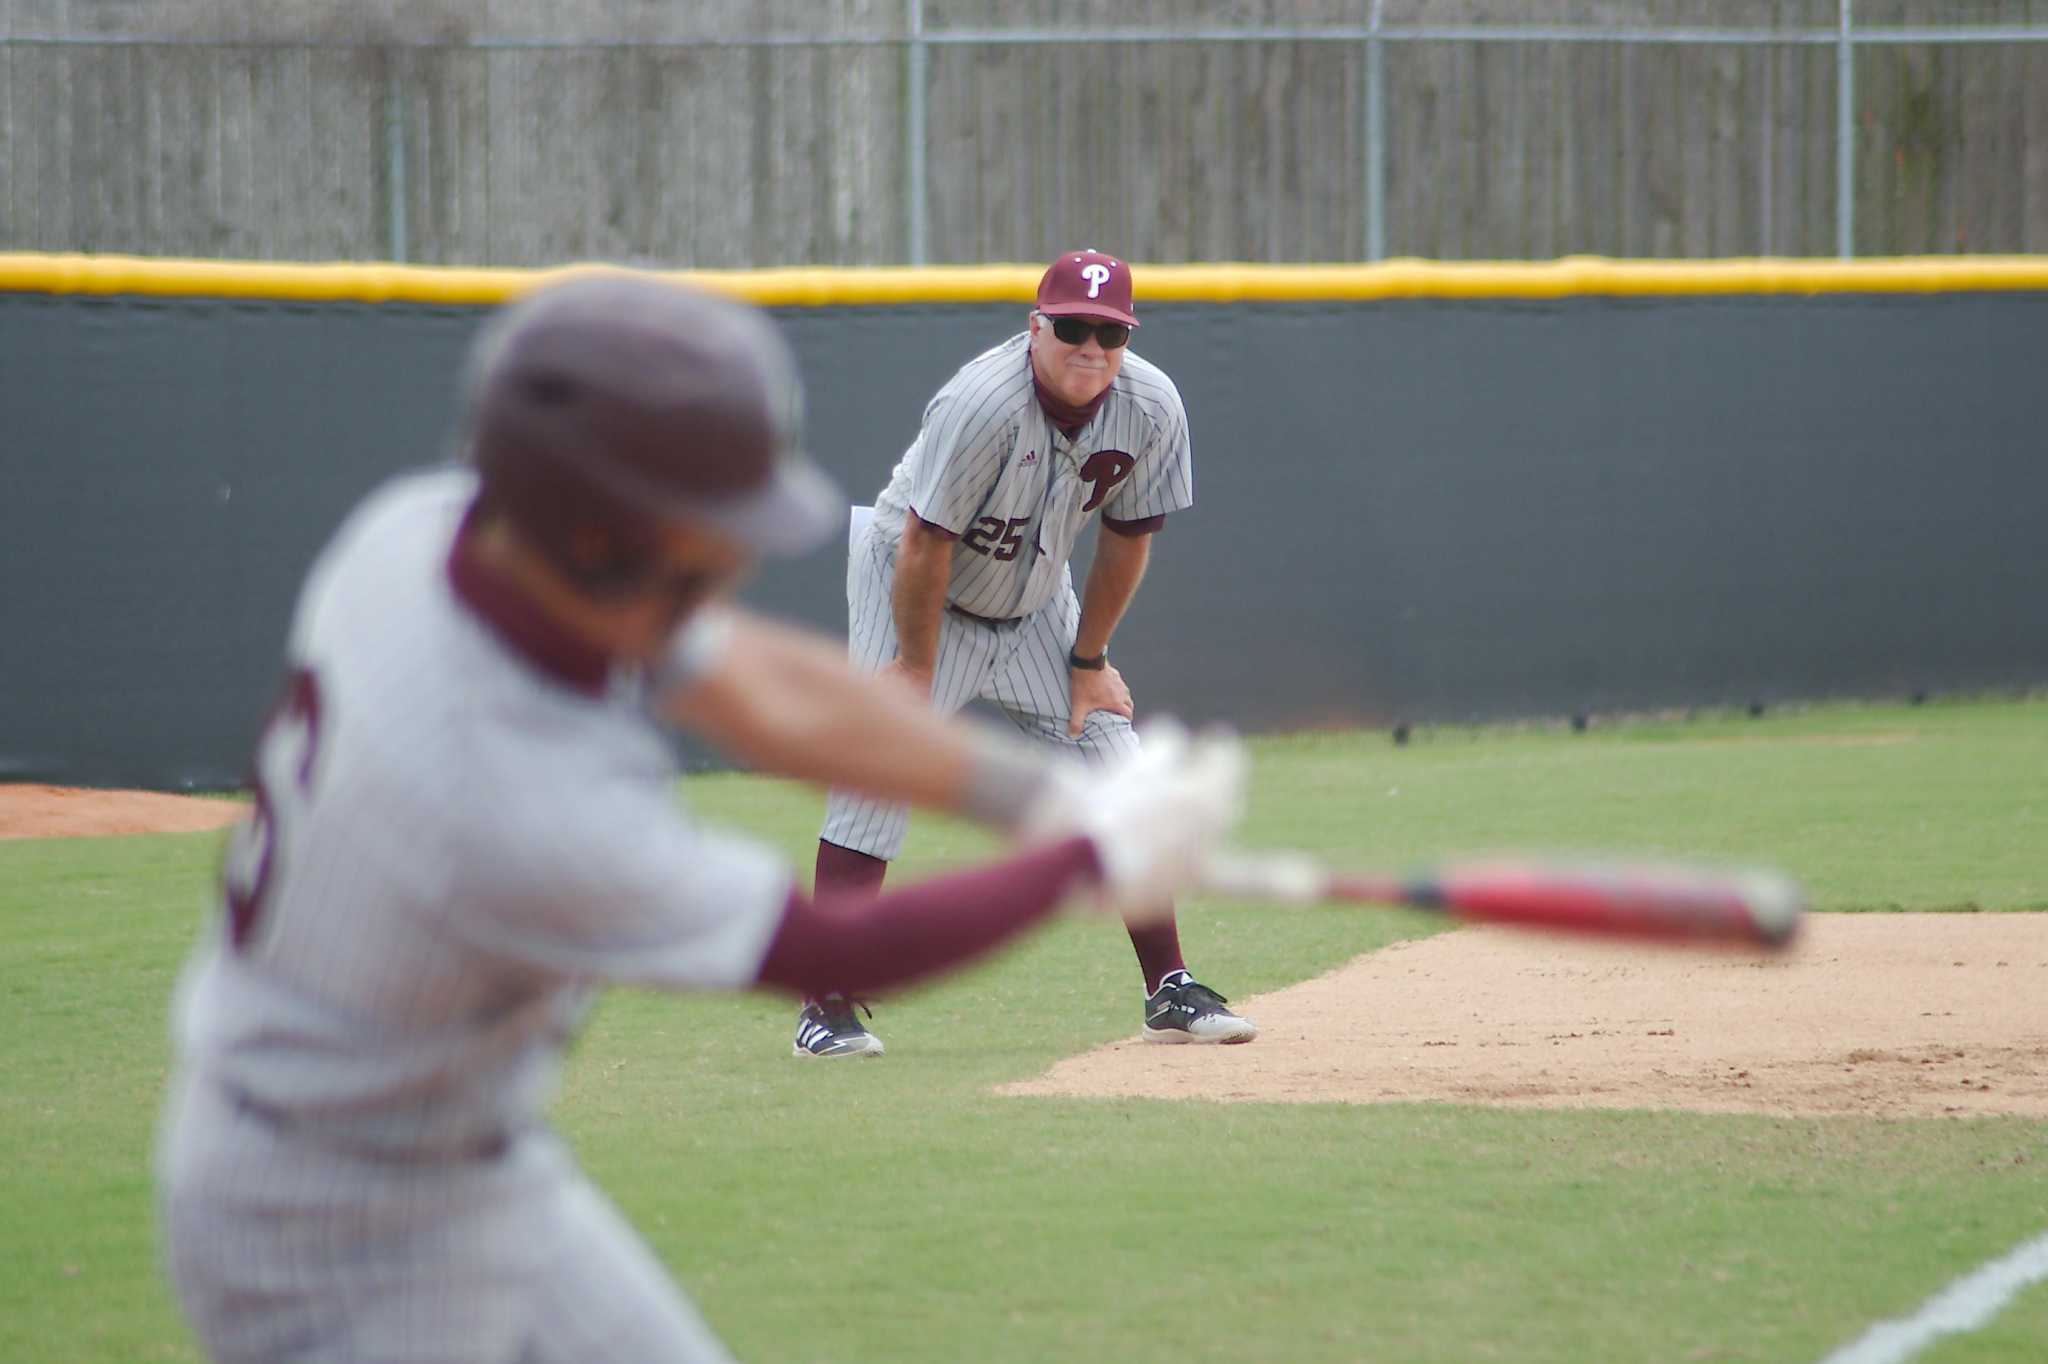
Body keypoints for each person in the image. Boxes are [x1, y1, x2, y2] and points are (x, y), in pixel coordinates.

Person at [155, 271, 1245, 1364]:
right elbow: (831, 944)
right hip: (311, 1221)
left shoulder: (425, 533)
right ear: (602, 530)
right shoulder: (518, 793)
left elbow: (749, 675)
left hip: (470, 1160)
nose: (734, 554)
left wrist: (1030, 791)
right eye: (708, 524)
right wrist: (1082, 852)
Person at [801, 248, 1255, 1057]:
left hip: (1035, 600)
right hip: (915, 586)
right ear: (1035, 326)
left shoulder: (1151, 406)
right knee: (881, 766)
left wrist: (1089, 660)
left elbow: (1126, 540)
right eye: (1072, 327)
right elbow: (923, 541)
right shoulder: (983, 404)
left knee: (1122, 764)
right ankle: (823, 1005)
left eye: (1109, 334)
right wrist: (910, 669)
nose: (1091, 348)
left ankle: (1169, 988)